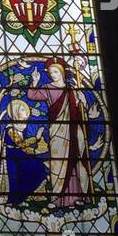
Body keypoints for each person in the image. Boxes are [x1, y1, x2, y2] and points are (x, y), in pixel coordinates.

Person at [27, 59, 94, 209]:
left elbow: (80, 110)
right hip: (57, 130)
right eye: (51, 73)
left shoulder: (71, 90)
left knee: (74, 160)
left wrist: (81, 100)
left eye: (56, 72)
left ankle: (77, 196)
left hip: (72, 130)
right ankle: (57, 198)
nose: (53, 75)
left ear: (62, 73)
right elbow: (32, 95)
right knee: (58, 162)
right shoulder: (47, 87)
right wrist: (35, 81)